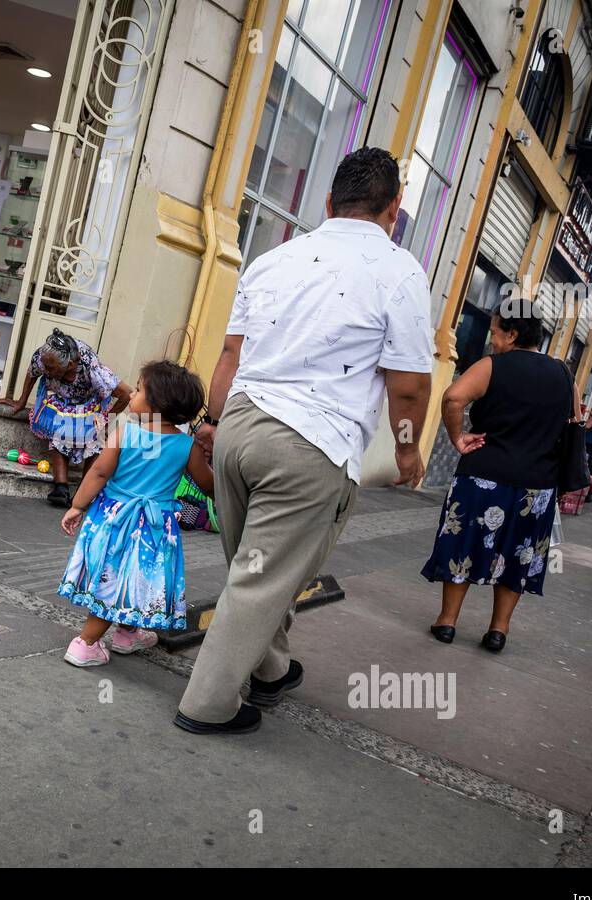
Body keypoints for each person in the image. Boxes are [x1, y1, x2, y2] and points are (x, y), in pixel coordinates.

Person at [175, 147, 434, 735]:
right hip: (310, 445)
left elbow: (232, 353)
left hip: (241, 425)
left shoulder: (275, 258)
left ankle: (269, 669)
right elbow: (411, 387)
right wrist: (406, 448)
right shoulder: (399, 273)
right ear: (394, 209)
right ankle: (207, 704)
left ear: (328, 202)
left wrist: (211, 424)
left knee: (257, 565)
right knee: (262, 576)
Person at [421, 300, 573, 653]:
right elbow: (571, 423)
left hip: (484, 475)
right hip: (537, 485)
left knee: (465, 544)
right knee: (518, 554)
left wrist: (459, 438)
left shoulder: (494, 366)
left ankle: (447, 622)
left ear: (513, 333)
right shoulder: (564, 375)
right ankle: (498, 631)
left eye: (495, 332)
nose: (491, 340)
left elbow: (454, 398)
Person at [58, 360, 213, 666]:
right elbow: (209, 485)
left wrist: (78, 505)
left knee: (112, 577)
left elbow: (100, 473)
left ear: (159, 402)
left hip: (112, 519)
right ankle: (86, 642)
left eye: (140, 390)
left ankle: (122, 634)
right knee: (130, 579)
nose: (131, 395)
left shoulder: (123, 433)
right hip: (152, 531)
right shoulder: (186, 446)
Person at [0, 330, 133, 507]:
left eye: (51, 369)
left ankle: (85, 492)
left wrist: (105, 421)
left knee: (94, 440)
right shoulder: (45, 356)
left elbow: (126, 394)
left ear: (69, 365)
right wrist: (21, 401)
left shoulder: (90, 366)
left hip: (88, 402)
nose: (46, 370)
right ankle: (60, 488)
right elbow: (33, 372)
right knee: (60, 431)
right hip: (63, 401)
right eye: (45, 366)